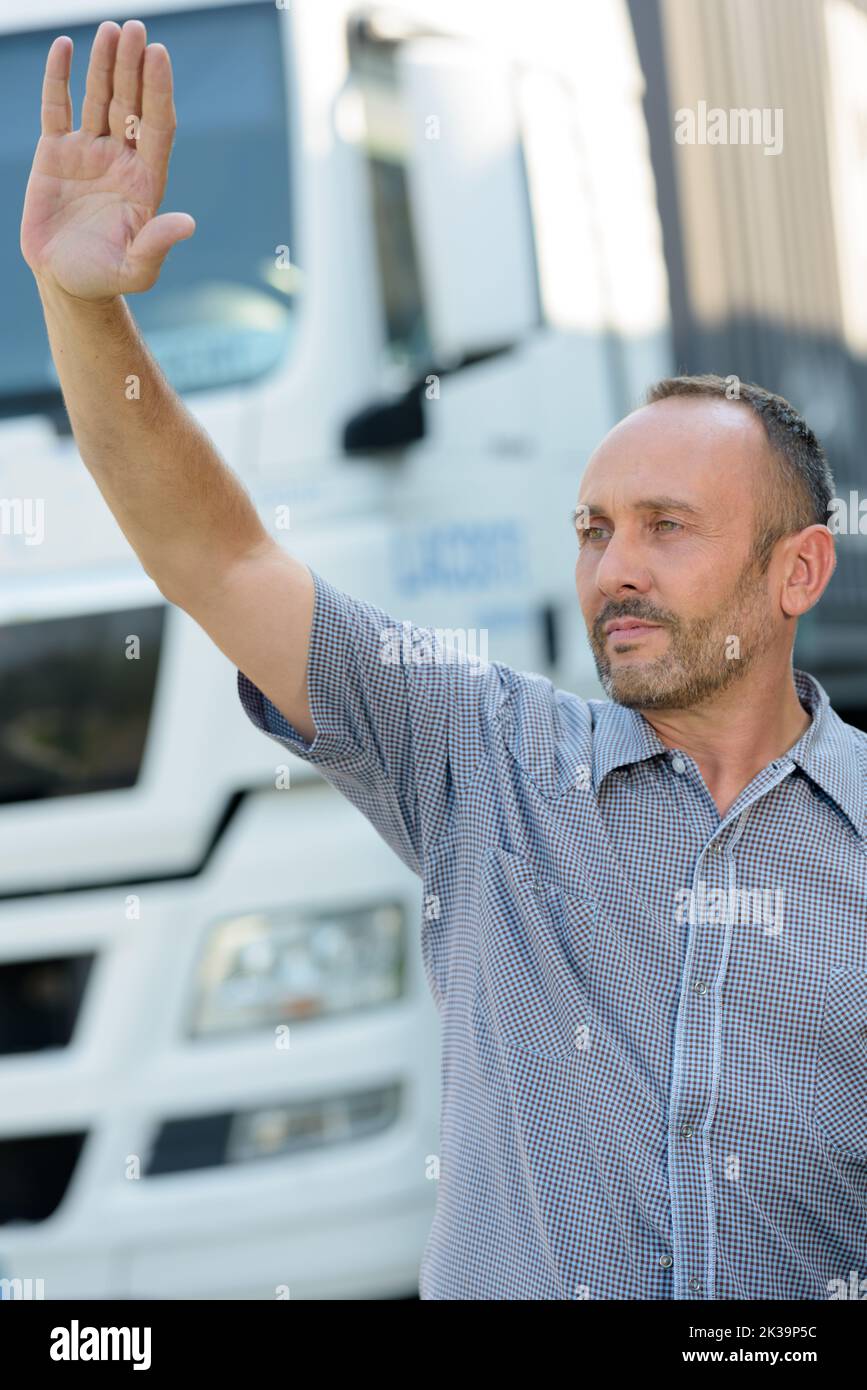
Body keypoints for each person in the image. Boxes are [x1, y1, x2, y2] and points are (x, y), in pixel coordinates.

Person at [21, 19, 866, 1301]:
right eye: (592, 530)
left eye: (665, 529)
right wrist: (83, 312)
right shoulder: (482, 760)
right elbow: (220, 558)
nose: (611, 568)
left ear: (800, 571)